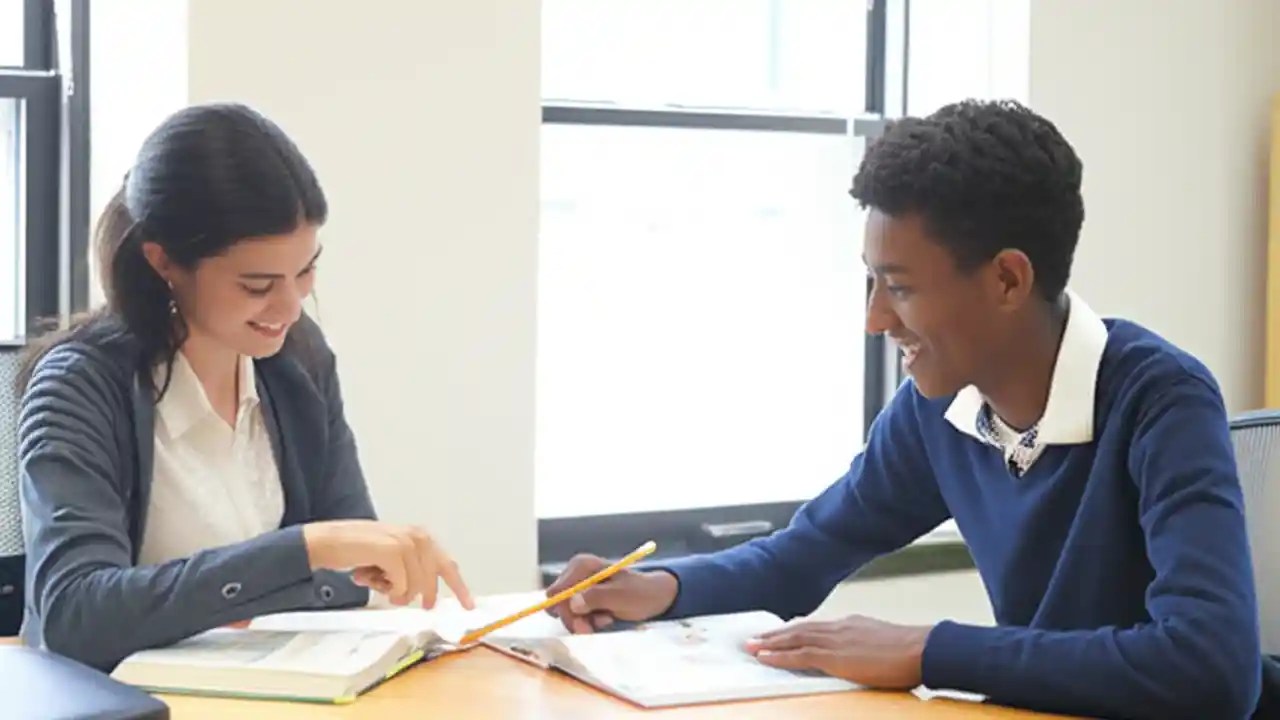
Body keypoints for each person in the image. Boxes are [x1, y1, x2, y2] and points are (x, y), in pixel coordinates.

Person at [545, 99, 1265, 719]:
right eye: (871, 282)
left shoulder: (1161, 401)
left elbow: (1210, 670)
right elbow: (804, 555)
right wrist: (663, 587)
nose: (874, 319)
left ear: (1008, 280)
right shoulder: (940, 409)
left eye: (901, 287)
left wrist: (927, 649)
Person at [17, 103, 473, 672]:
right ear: (163, 261)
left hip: (270, 691)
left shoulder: (298, 359)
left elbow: (352, 575)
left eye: (305, 272)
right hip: (126, 699)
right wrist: (303, 553)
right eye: (258, 285)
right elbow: (76, 616)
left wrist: (315, 562)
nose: (290, 307)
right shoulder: (79, 386)